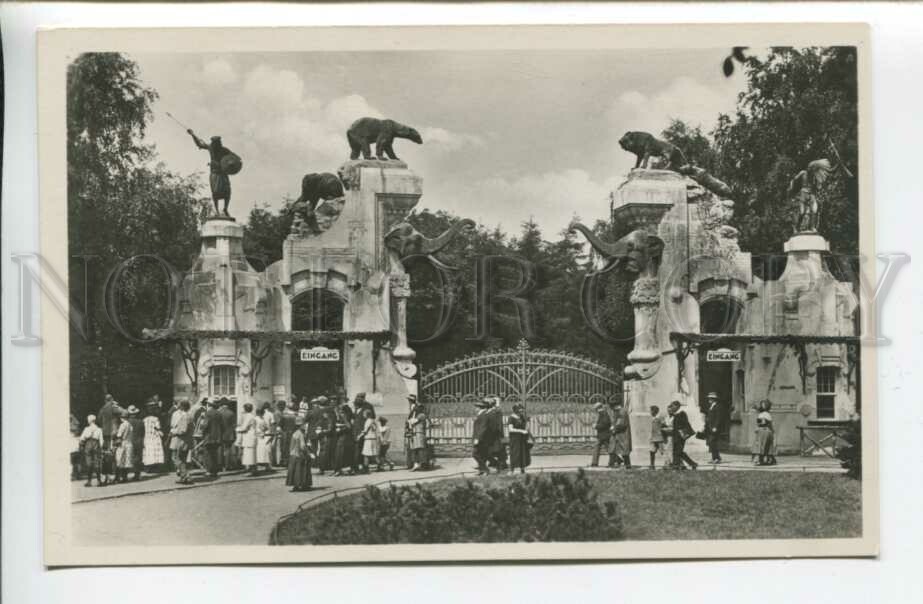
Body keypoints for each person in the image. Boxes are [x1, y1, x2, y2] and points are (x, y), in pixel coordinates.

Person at [188, 130, 234, 216]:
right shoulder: (210, 148)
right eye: (214, 143)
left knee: (227, 191)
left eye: (217, 143)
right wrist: (193, 135)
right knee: (215, 192)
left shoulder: (224, 150)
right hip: (214, 174)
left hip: (223, 173)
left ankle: (225, 209)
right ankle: (217, 211)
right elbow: (199, 144)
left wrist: (231, 162)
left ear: (219, 143)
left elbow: (234, 157)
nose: (215, 145)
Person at [668, 399, 698, 470]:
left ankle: (676, 465)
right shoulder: (675, 414)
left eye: (673, 406)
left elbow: (685, 424)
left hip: (681, 436)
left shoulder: (682, 414)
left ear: (677, 406)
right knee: (678, 451)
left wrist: (680, 431)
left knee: (678, 451)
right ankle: (692, 464)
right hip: (676, 436)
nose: (672, 408)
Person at [286, 422, 315, 492]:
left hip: (293, 454)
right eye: (304, 425)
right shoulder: (300, 434)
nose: (306, 427)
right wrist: (309, 453)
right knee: (301, 470)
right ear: (301, 426)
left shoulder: (296, 433)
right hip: (299, 454)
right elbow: (303, 446)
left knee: (294, 470)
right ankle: (303, 485)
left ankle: (296, 486)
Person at [169, 400, 193, 484]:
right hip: (186, 441)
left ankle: (185, 476)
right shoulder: (189, 415)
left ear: (182, 407)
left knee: (177, 458)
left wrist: (173, 432)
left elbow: (183, 430)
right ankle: (184, 476)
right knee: (182, 459)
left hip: (180, 441)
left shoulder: (184, 417)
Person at [79, 415, 104, 487]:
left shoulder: (86, 429)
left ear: (89, 421)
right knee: (97, 462)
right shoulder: (99, 429)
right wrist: (100, 448)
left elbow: (82, 438)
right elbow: (101, 441)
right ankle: (99, 481)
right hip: (96, 445)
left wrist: (82, 445)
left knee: (89, 463)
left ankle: (89, 481)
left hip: (88, 445)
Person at [507, 404, 531, 474]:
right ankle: (512, 470)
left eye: (522, 410)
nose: (521, 412)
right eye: (520, 410)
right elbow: (510, 429)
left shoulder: (522, 417)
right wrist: (521, 431)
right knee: (514, 454)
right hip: (514, 439)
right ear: (515, 410)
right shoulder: (511, 418)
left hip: (522, 438)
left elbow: (526, 427)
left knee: (523, 453)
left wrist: (528, 422)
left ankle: (522, 469)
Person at [332, 401, 354, 476]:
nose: (337, 411)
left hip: (344, 438)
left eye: (340, 410)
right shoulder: (340, 416)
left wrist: (340, 427)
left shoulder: (344, 416)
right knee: (338, 453)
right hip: (341, 437)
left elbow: (348, 426)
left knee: (340, 454)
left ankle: (339, 470)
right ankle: (338, 469)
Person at [472, 399, 493, 475]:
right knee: (481, 455)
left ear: (479, 407)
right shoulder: (481, 414)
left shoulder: (484, 415)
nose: (475, 408)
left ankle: (485, 469)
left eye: (476, 407)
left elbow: (483, 428)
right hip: (481, 438)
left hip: (481, 439)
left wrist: (477, 438)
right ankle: (482, 470)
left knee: (475, 454)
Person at [142, 402, 165, 473]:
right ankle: (156, 467)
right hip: (154, 437)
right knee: (155, 452)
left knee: (148, 452)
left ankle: (148, 467)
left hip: (147, 437)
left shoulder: (144, 419)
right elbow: (158, 427)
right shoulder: (156, 419)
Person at [407, 396, 428, 472]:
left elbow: (412, 421)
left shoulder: (421, 415)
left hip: (419, 433)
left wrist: (410, 419)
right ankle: (416, 464)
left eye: (417, 408)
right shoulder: (416, 415)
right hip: (415, 433)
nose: (415, 409)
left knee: (420, 449)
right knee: (414, 449)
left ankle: (422, 464)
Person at [203, 399, 223, 477]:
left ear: (209, 405)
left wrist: (202, 429)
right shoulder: (219, 413)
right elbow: (222, 426)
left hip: (209, 436)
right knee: (215, 454)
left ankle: (209, 470)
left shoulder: (208, 413)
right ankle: (215, 470)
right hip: (217, 437)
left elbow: (205, 425)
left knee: (208, 454)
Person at [610, 400, 633, 469]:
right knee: (619, 449)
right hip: (620, 434)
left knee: (624, 450)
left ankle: (627, 466)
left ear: (616, 406)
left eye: (613, 407)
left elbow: (621, 424)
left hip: (622, 434)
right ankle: (621, 463)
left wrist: (614, 428)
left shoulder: (621, 412)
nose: (613, 410)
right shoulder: (620, 411)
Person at [112, 409, 134, 483]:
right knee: (126, 461)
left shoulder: (123, 425)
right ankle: (125, 477)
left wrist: (115, 436)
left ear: (122, 417)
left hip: (122, 443)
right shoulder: (130, 425)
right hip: (129, 443)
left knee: (119, 460)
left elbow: (119, 435)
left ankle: (117, 478)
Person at [590, 402, 614, 467]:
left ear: (598, 408)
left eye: (596, 409)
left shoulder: (604, 414)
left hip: (604, 435)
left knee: (607, 448)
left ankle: (594, 463)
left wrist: (596, 426)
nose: (596, 410)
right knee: (605, 448)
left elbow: (605, 424)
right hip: (602, 435)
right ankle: (594, 463)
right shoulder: (602, 413)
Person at [237, 403, 257, 475]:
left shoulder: (248, 417)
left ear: (245, 409)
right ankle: (252, 470)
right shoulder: (252, 416)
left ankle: (251, 471)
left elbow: (244, 428)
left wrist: (237, 429)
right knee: (251, 454)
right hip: (252, 437)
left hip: (249, 437)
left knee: (249, 455)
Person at [704, 391, 723, 464]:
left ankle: (716, 458)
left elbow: (718, 418)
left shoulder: (717, 406)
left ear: (714, 399)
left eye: (710, 398)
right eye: (709, 398)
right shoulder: (711, 406)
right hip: (710, 427)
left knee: (713, 442)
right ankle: (715, 457)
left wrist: (715, 427)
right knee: (711, 443)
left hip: (714, 428)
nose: (709, 400)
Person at [756, 399, 777, 466]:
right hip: (763, 430)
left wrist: (772, 431)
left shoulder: (766, 415)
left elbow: (769, 424)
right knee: (764, 445)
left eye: (765, 405)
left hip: (765, 430)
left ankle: (767, 459)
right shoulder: (764, 414)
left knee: (764, 445)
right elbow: (759, 424)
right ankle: (766, 459)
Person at [218, 399, 237, 471]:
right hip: (229, 434)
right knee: (228, 450)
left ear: (221, 405)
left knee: (220, 450)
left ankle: (220, 465)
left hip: (220, 434)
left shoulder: (219, 412)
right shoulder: (231, 413)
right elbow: (234, 425)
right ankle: (227, 466)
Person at [277, 400, 297, 468]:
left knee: (285, 448)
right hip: (293, 433)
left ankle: (285, 461)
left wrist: (280, 432)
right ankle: (292, 461)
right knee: (293, 447)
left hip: (285, 433)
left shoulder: (284, 415)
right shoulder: (295, 415)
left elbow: (279, 426)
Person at [254, 406, 273, 475]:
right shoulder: (256, 419)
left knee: (263, 452)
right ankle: (264, 465)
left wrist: (263, 430)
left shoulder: (260, 419)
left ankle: (265, 465)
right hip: (258, 436)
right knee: (262, 451)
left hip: (261, 436)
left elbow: (266, 427)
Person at [648, 405, 668, 470]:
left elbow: (664, 425)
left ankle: (667, 464)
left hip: (659, 438)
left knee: (662, 451)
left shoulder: (660, 418)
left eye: (651, 411)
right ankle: (652, 465)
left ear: (654, 411)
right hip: (653, 438)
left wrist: (661, 431)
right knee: (651, 451)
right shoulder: (653, 418)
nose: (650, 412)